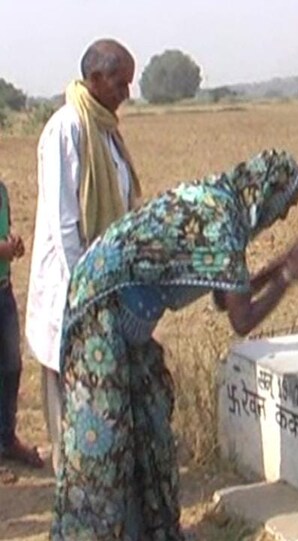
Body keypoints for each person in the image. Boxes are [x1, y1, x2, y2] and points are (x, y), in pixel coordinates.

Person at [51, 149, 298, 540]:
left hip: (125, 318)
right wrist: (288, 273)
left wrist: (281, 261)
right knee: (103, 444)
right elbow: (241, 319)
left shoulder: (222, 206)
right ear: (267, 195)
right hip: (100, 311)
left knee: (149, 427)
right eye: (284, 207)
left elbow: (225, 296)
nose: (281, 217)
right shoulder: (221, 223)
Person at [25, 38, 141, 472]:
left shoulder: (106, 132)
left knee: (95, 400)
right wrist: (84, 289)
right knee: (68, 402)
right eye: (119, 83)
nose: (126, 93)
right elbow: (64, 222)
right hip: (72, 288)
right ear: (94, 79)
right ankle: (70, 493)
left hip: (103, 286)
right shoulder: (67, 128)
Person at [0, 177, 45, 470]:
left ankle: (5, 438)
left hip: (3, 290)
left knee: (11, 366)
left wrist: (14, 245)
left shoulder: (2, 190)